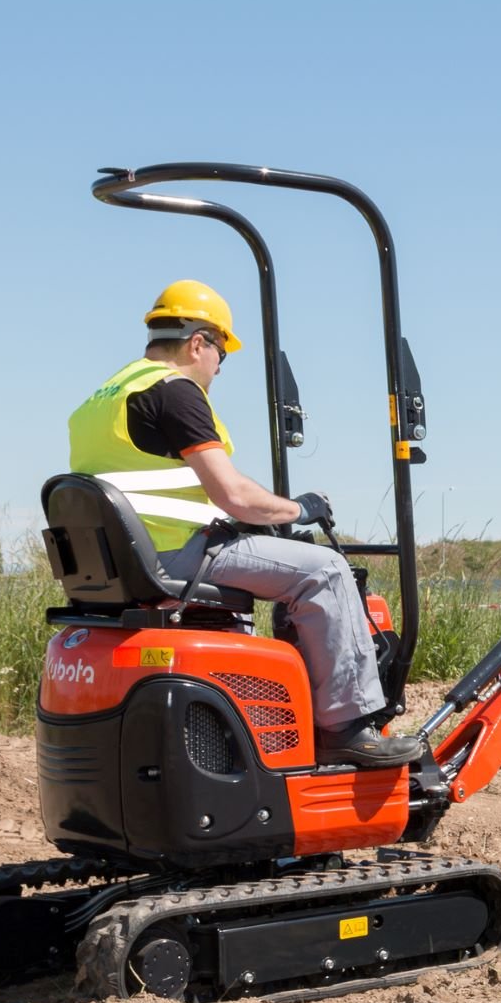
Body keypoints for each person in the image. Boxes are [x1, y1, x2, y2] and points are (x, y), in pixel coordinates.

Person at [68, 279, 422, 769]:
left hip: (125, 562)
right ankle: (347, 727)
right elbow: (232, 495)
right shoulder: (174, 391)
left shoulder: (102, 398)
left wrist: (257, 515)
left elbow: (172, 486)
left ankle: (299, 706)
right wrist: (299, 508)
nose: (218, 367)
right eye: (221, 354)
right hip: (176, 553)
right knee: (326, 571)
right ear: (198, 343)